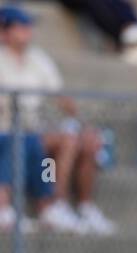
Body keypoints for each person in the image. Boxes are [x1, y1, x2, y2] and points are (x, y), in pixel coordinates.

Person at [0, 4, 115, 234]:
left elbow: (61, 97)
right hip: (7, 130)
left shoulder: (38, 59)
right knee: (42, 142)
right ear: (4, 31)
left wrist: (82, 123)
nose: (28, 31)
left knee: (84, 140)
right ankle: (44, 204)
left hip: (33, 129)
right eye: (21, 26)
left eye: (28, 26)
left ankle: (76, 206)